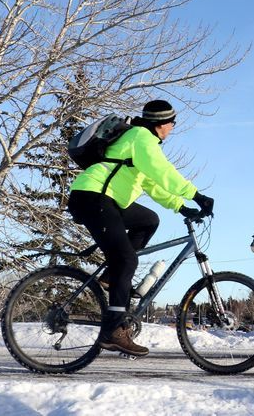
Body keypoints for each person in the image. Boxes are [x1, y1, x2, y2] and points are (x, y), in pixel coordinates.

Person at [67, 99, 213, 357]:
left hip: (105, 198)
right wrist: (196, 195)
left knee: (149, 220)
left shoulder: (138, 141)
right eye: (171, 124)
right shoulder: (141, 137)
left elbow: (151, 182)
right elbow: (161, 171)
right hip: (94, 197)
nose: (172, 129)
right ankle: (114, 330)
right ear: (161, 123)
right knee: (125, 259)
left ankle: (111, 277)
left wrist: (181, 206)